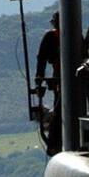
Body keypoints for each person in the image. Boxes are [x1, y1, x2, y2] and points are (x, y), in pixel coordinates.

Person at [35, 13, 61, 154]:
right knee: (59, 109)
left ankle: (55, 143)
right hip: (59, 78)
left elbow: (42, 58)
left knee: (60, 110)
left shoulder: (74, 35)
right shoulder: (51, 37)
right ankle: (55, 142)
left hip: (72, 79)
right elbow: (42, 58)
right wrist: (39, 76)